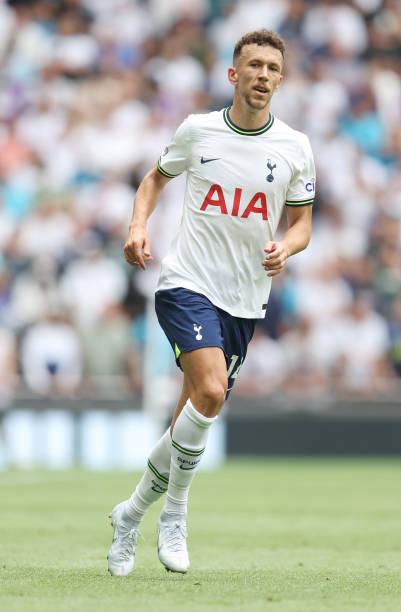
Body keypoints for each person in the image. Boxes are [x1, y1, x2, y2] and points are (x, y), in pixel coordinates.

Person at [107, 29, 315, 576]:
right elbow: (155, 179)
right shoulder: (198, 130)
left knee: (194, 414)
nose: (263, 76)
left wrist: (285, 248)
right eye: (254, 65)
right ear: (233, 74)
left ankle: (129, 516)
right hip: (187, 283)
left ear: (281, 78)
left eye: (273, 67)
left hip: (246, 299)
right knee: (211, 390)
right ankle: (174, 514)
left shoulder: (295, 147)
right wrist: (136, 225)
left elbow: (303, 224)